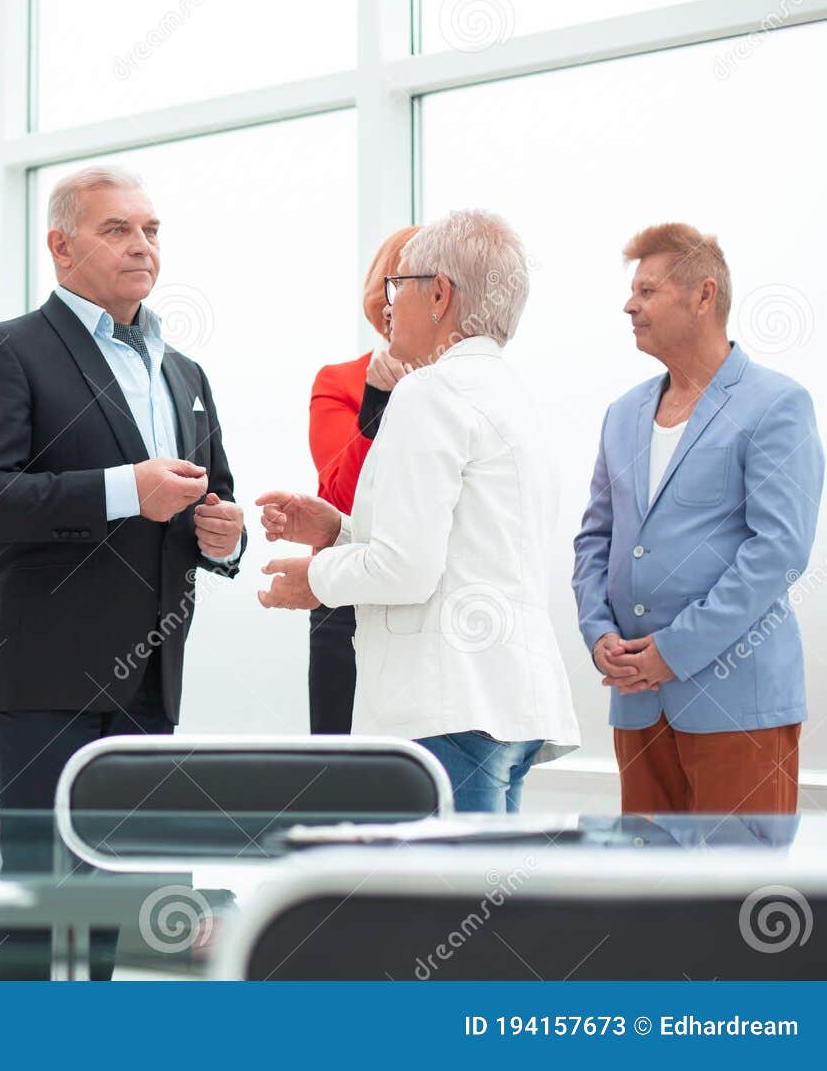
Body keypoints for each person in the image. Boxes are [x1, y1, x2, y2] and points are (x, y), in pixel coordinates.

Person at [0, 166, 245, 979]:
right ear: (60, 245)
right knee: (39, 916)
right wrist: (124, 491)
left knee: (118, 910)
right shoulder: (6, 349)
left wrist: (225, 536)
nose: (142, 246)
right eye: (118, 230)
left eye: (151, 230)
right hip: (44, 677)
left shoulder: (185, 372)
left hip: (150, 680)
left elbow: (210, 502)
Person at [258, 210, 579, 813]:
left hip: (448, 709)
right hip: (511, 705)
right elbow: (465, 546)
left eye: (397, 287)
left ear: (438, 294)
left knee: (444, 904)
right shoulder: (513, 397)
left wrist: (315, 579)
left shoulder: (428, 394)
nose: (387, 307)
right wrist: (338, 529)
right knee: (482, 901)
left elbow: (407, 569)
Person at [573, 223, 823, 815]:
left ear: (704, 296)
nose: (629, 305)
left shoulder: (777, 404)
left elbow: (778, 552)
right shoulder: (622, 414)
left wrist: (673, 650)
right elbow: (595, 539)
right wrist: (598, 634)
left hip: (737, 706)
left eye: (648, 290)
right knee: (649, 895)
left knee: (735, 895)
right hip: (636, 707)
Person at [299, 225, 417, 734]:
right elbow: (341, 498)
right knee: (343, 779)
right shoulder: (340, 380)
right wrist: (378, 401)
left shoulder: (462, 384)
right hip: (346, 601)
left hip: (428, 605)